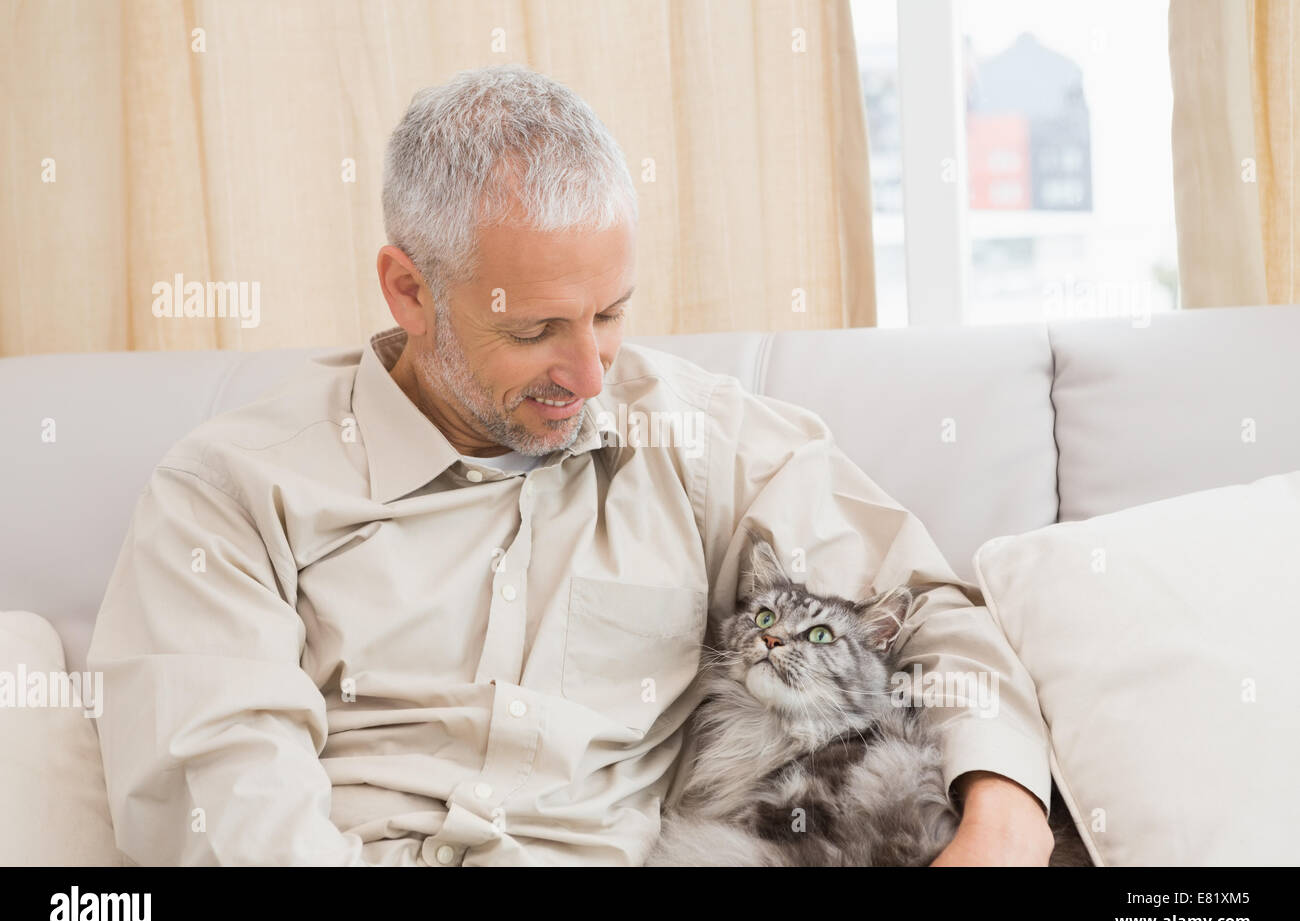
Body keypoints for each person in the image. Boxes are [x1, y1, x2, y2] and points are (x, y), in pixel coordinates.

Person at [87, 64, 1053, 866]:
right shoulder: (231, 493)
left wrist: (1002, 818)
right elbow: (227, 812)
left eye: (611, 313)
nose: (590, 371)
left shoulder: (696, 442)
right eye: (535, 329)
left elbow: (924, 610)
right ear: (409, 290)